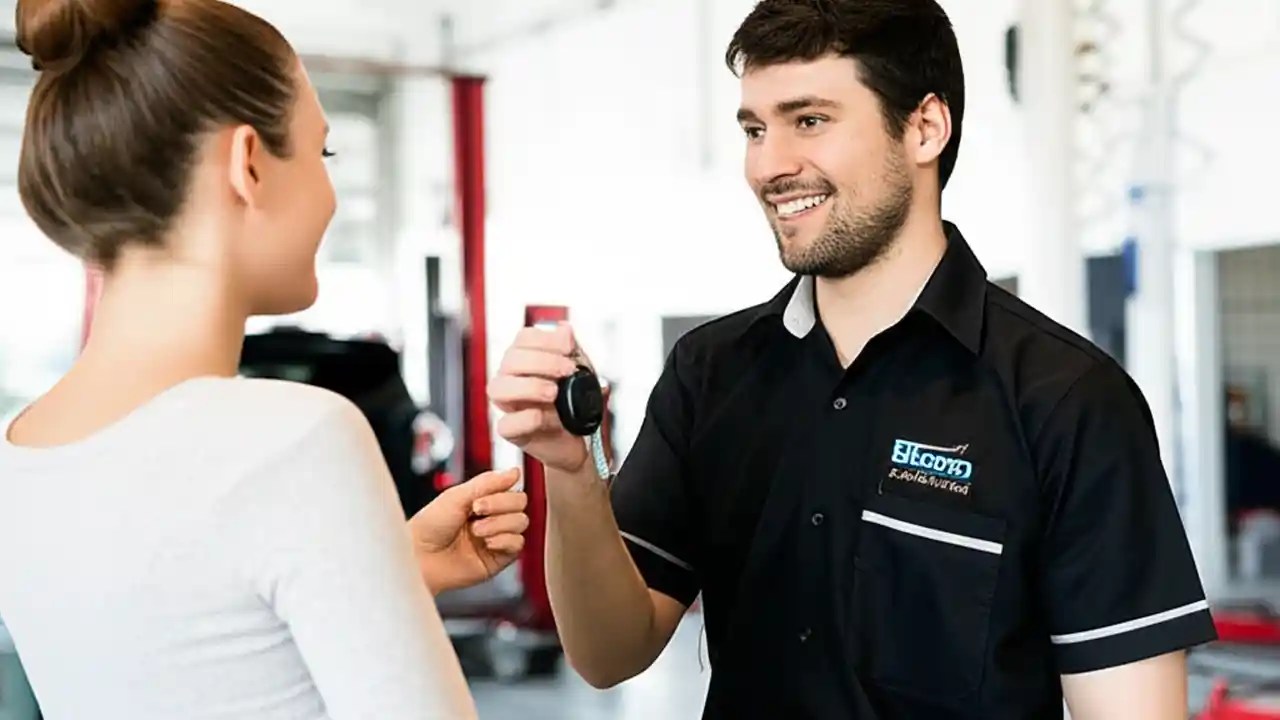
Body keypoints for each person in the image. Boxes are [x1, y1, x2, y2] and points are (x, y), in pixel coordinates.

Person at [488, 1, 1218, 718]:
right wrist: (573, 471)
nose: (769, 166)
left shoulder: (1066, 400)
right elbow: (609, 654)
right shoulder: (709, 374)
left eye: (810, 120)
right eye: (754, 128)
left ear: (925, 127)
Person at [0, 1, 529, 718]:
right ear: (248, 162)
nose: (330, 194)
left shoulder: (22, 454)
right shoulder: (298, 438)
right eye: (322, 153)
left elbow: (187, 655)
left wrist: (382, 572)